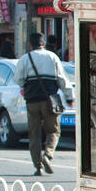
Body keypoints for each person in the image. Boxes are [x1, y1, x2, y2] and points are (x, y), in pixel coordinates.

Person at [13, 32, 70, 175]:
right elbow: (62, 79)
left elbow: (18, 80)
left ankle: (37, 166)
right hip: (50, 101)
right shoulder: (53, 57)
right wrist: (69, 96)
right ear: (43, 44)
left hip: (32, 101)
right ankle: (48, 155)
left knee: (34, 134)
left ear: (30, 45)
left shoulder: (25, 59)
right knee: (54, 131)